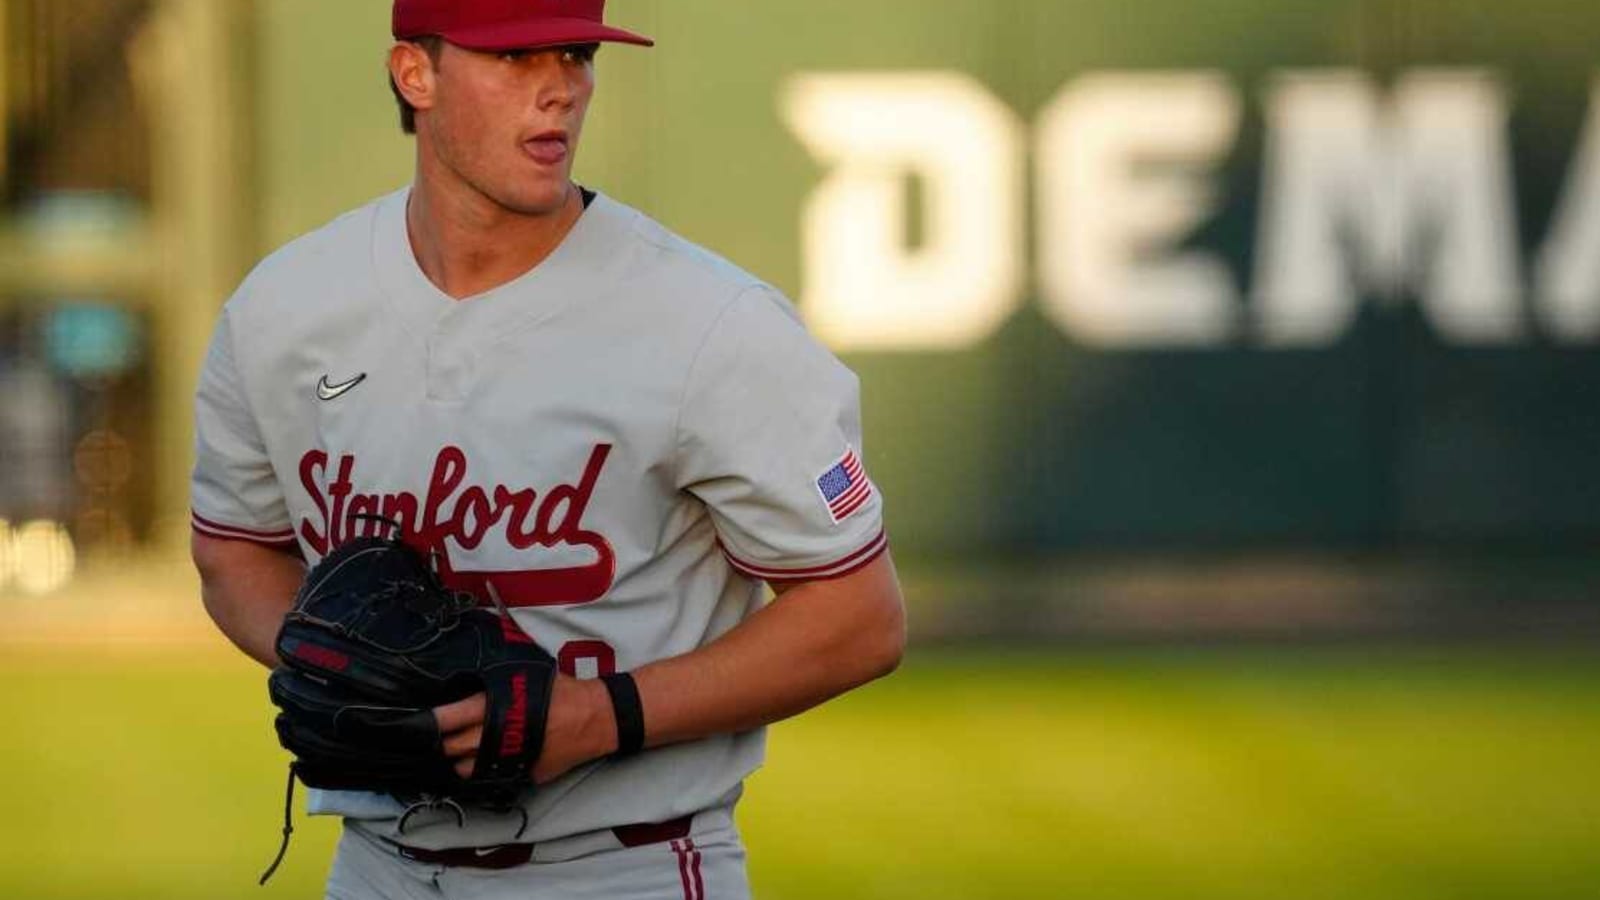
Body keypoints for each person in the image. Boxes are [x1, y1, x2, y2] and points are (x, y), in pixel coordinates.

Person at [187, 1, 906, 897]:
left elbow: (860, 617)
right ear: (416, 74)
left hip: (624, 863)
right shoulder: (285, 309)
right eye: (514, 56)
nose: (560, 87)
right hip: (377, 868)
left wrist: (600, 717)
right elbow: (233, 546)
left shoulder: (710, 325)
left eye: (574, 53)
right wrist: (330, 662)